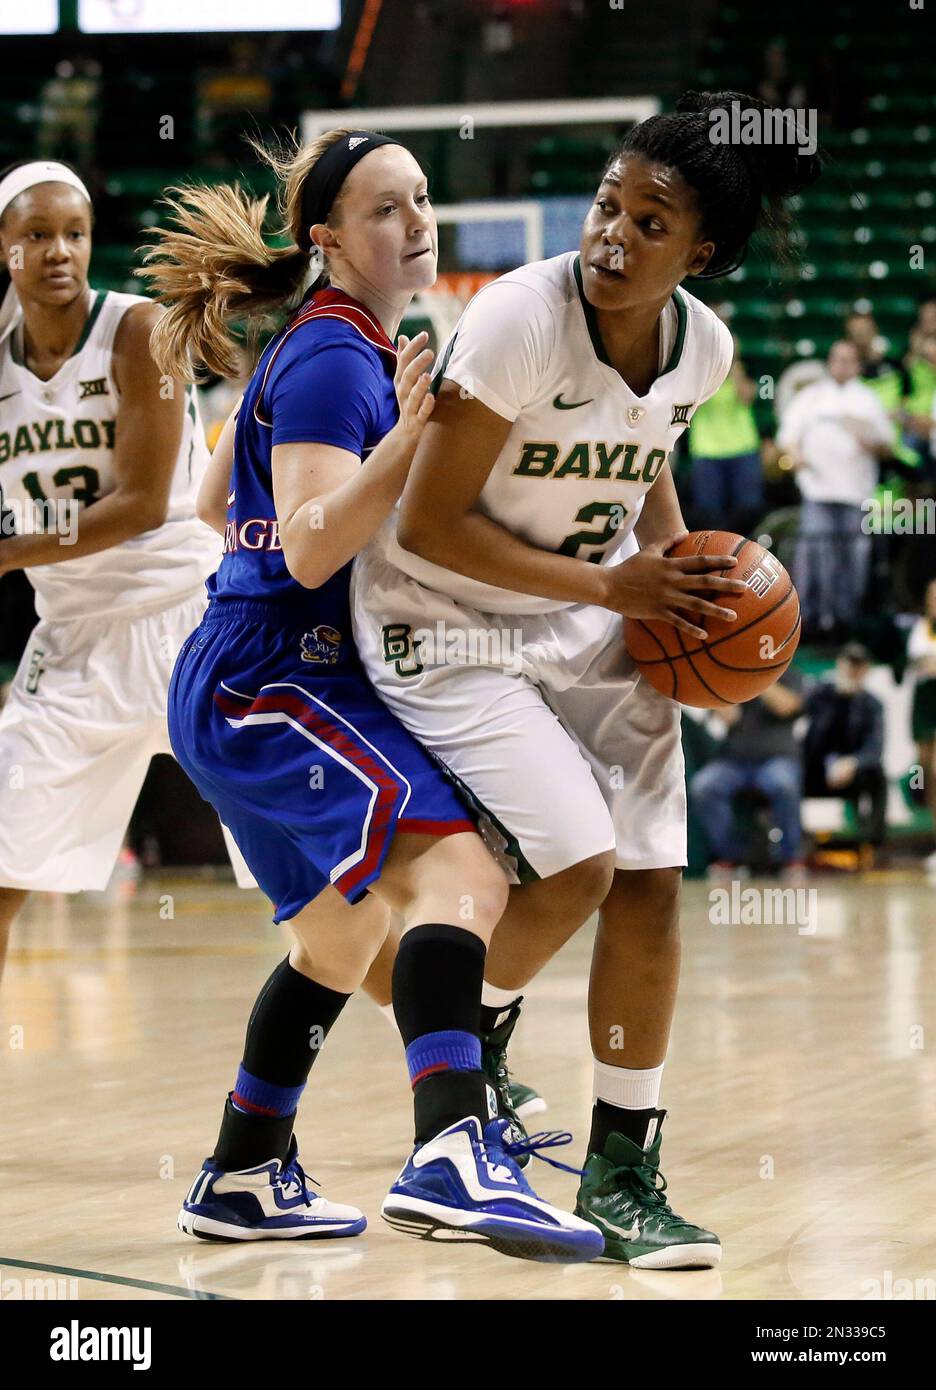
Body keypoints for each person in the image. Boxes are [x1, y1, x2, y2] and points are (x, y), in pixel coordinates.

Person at [352, 90, 820, 1267]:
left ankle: (622, 1166)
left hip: (583, 604)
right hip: (445, 617)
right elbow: (426, 528)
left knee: (654, 877)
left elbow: (643, 467)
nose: (614, 234)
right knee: (578, 859)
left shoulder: (701, 345)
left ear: (699, 253)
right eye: (610, 205)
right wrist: (619, 590)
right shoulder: (518, 317)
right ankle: (470, 1041)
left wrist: (675, 573)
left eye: (650, 223)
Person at [140, 129, 601, 1260]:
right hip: (272, 673)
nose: (417, 221)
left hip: (243, 671)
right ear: (329, 238)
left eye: (423, 199)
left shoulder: (314, 344)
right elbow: (303, 549)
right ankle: (450, 1149)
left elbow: (214, 504)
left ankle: (243, 1172)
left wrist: (368, 463)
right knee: (461, 870)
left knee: (342, 943)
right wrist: (405, 440)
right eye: (386, 208)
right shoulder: (342, 356)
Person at [0, 158, 241, 985]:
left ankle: (458, 1066)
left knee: (317, 883)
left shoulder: (139, 330)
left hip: (191, 624)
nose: (59, 250)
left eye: (75, 233)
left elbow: (140, 503)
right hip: (72, 643)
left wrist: (10, 545)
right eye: (38, 234)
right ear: (6, 248)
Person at [778, 339, 894, 640]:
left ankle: (846, 622)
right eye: (837, 359)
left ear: (857, 365)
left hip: (856, 493)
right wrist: (795, 456)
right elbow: (787, 438)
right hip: (818, 491)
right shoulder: (811, 398)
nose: (842, 365)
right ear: (830, 363)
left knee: (852, 560)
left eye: (848, 359)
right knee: (816, 557)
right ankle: (812, 621)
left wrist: (871, 442)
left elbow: (886, 445)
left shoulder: (868, 399)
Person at [689, 673, 805, 876]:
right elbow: (730, 716)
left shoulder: (788, 674)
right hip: (735, 761)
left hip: (776, 758)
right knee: (704, 786)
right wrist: (733, 682)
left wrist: (757, 677)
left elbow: (785, 706)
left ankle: (791, 858)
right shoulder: (733, 676)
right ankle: (731, 857)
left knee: (783, 784)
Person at [803, 642, 887, 859]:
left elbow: (875, 747)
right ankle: (796, 845)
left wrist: (852, 762)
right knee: (788, 773)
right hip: (816, 772)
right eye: (849, 664)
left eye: (858, 666)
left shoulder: (872, 704)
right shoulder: (820, 694)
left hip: (851, 774)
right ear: (840, 664)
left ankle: (871, 844)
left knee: (877, 777)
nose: (852, 670)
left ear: (866, 669)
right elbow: (810, 739)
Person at [687, 333, 765, 537]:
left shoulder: (743, 372)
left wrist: (735, 369)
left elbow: (747, 397)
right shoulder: (701, 374)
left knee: (748, 507)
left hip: (743, 448)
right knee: (708, 511)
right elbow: (693, 402)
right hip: (708, 450)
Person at [907, 579, 936, 872]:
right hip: (925, 706)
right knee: (927, 773)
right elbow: (921, 662)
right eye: (931, 596)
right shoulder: (920, 628)